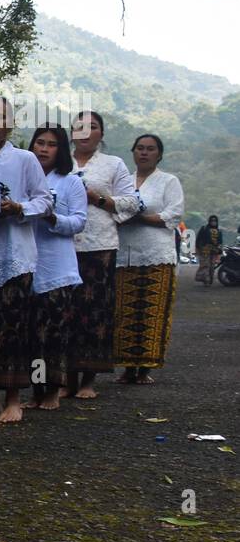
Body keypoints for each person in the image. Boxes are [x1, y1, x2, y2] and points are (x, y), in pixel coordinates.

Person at [0, 96, 52, 423]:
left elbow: (45, 202)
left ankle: (15, 399)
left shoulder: (25, 159)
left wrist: (19, 208)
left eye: (0, 118)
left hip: (15, 256)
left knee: (15, 327)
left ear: (10, 124)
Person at [64, 111, 139, 398]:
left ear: (101, 134)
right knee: (64, 311)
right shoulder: (61, 161)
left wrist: (98, 199)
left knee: (94, 311)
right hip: (62, 244)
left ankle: (88, 381)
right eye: (79, 126)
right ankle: (66, 379)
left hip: (99, 245)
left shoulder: (113, 164)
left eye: (92, 127)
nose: (85, 131)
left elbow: (132, 203)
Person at [113, 134, 184, 383]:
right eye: (140, 148)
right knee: (124, 310)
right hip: (124, 254)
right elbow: (113, 208)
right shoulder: (123, 181)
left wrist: (139, 218)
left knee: (151, 311)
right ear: (133, 152)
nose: (144, 153)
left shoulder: (168, 181)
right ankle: (126, 366)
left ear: (159, 154)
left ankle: (146, 367)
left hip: (157, 255)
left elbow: (172, 215)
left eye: (150, 149)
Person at [26, 125, 87, 410]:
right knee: (31, 335)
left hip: (57, 270)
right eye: (39, 142)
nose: (43, 149)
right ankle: (36, 391)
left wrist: (52, 219)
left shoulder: (70, 182)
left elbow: (78, 221)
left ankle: (53, 392)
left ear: (61, 151)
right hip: (26, 264)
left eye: (51, 144)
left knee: (53, 334)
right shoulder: (23, 178)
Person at [196, 215, 223, 285]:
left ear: (217, 222)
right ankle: (206, 280)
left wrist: (220, 249)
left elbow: (220, 241)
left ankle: (210, 279)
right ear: (209, 221)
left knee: (212, 266)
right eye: (212, 221)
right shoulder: (204, 228)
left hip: (214, 250)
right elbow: (199, 239)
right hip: (205, 249)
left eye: (215, 221)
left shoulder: (219, 230)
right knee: (206, 265)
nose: (213, 222)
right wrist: (198, 247)